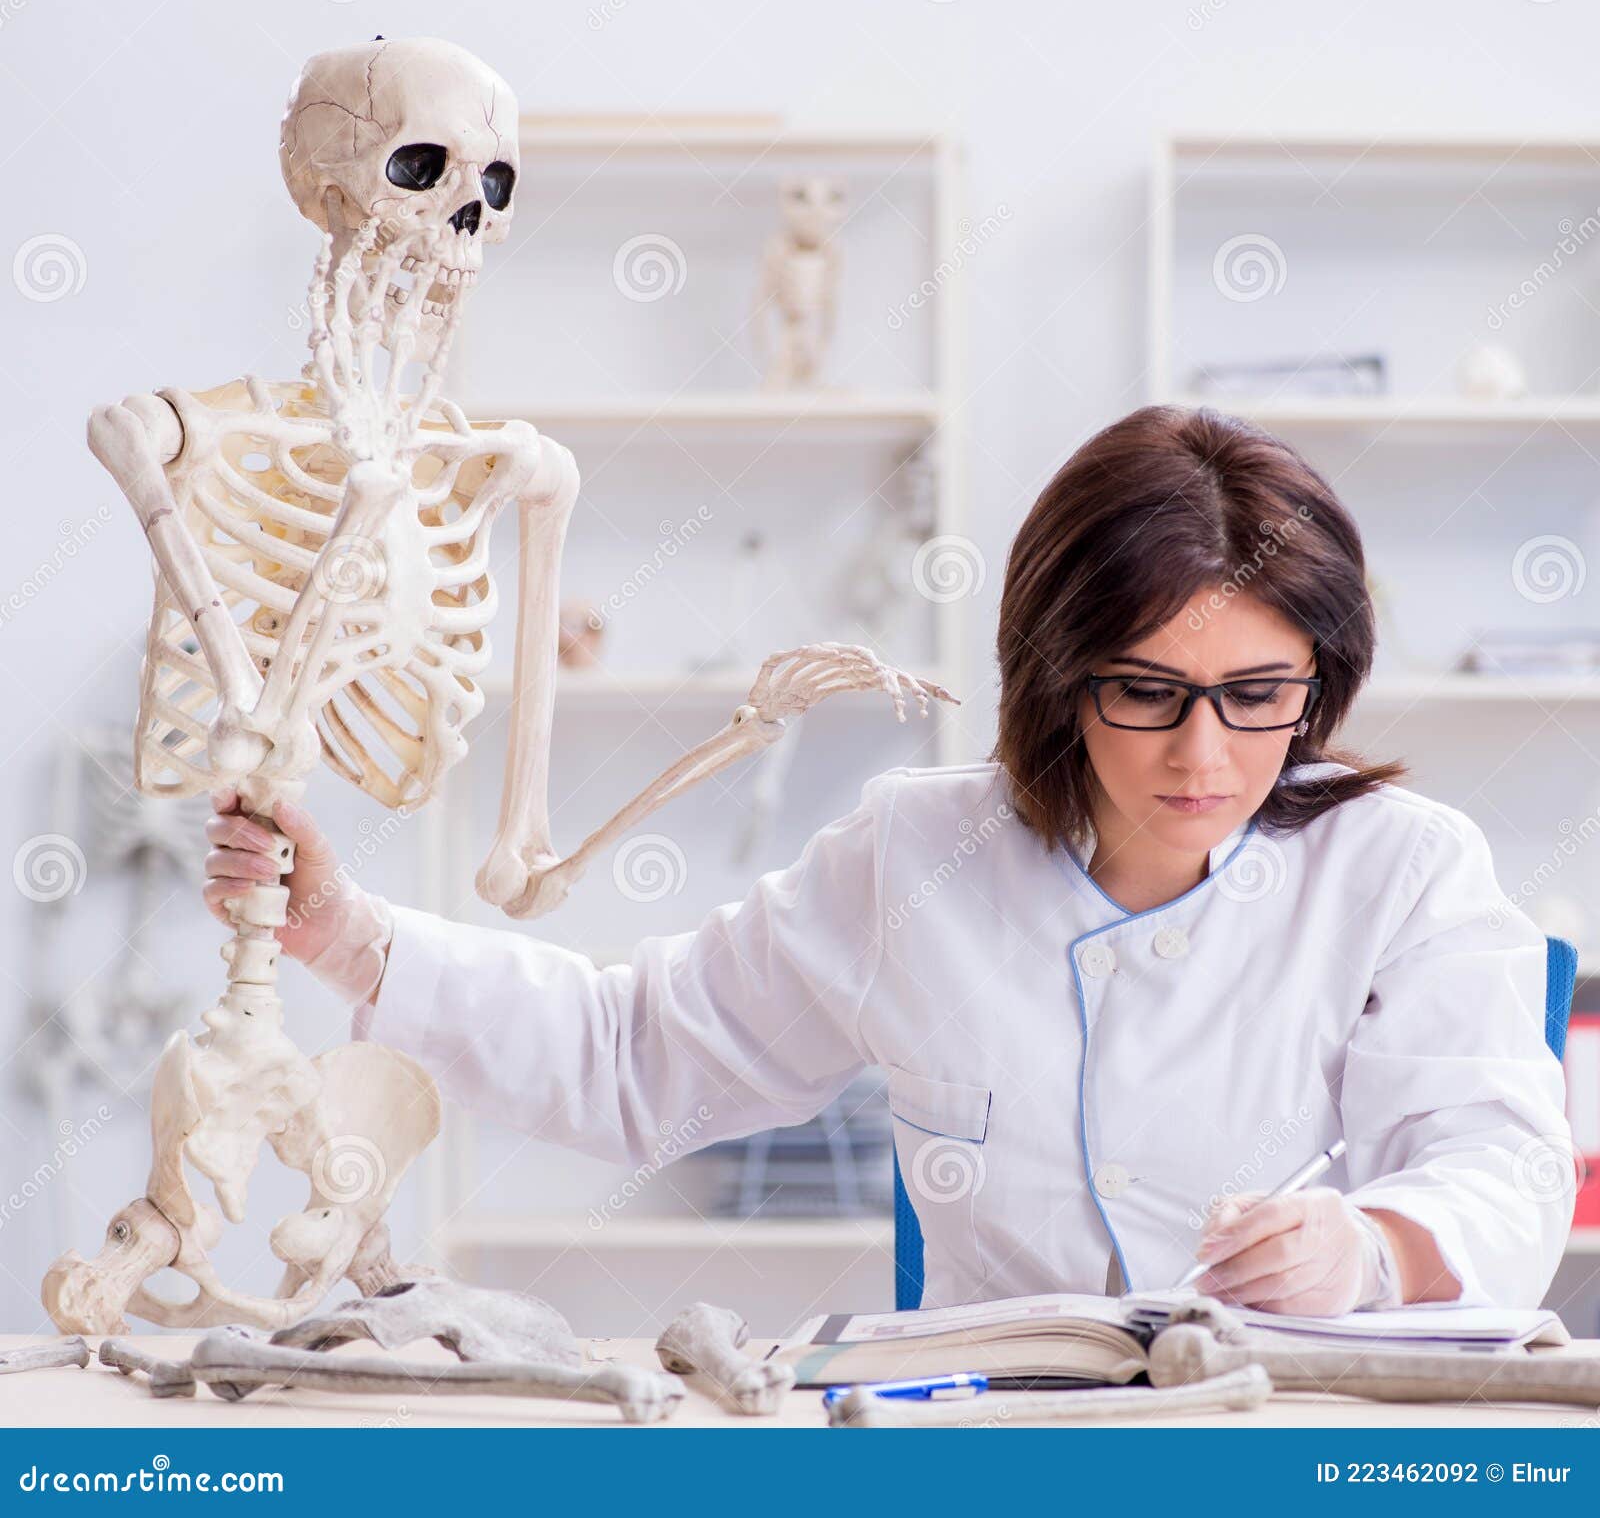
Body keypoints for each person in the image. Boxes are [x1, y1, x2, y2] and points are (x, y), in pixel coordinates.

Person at [204, 405, 1573, 1316]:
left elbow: (1502, 1168)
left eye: (1259, 692)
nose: (1205, 754)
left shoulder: (1400, 870)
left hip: (1293, 1446)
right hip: (997, 1451)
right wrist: (343, 932)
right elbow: (634, 1059)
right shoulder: (924, 853)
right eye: (1147, 692)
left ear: (1318, 682)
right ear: (1055, 678)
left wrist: (1376, 1250)